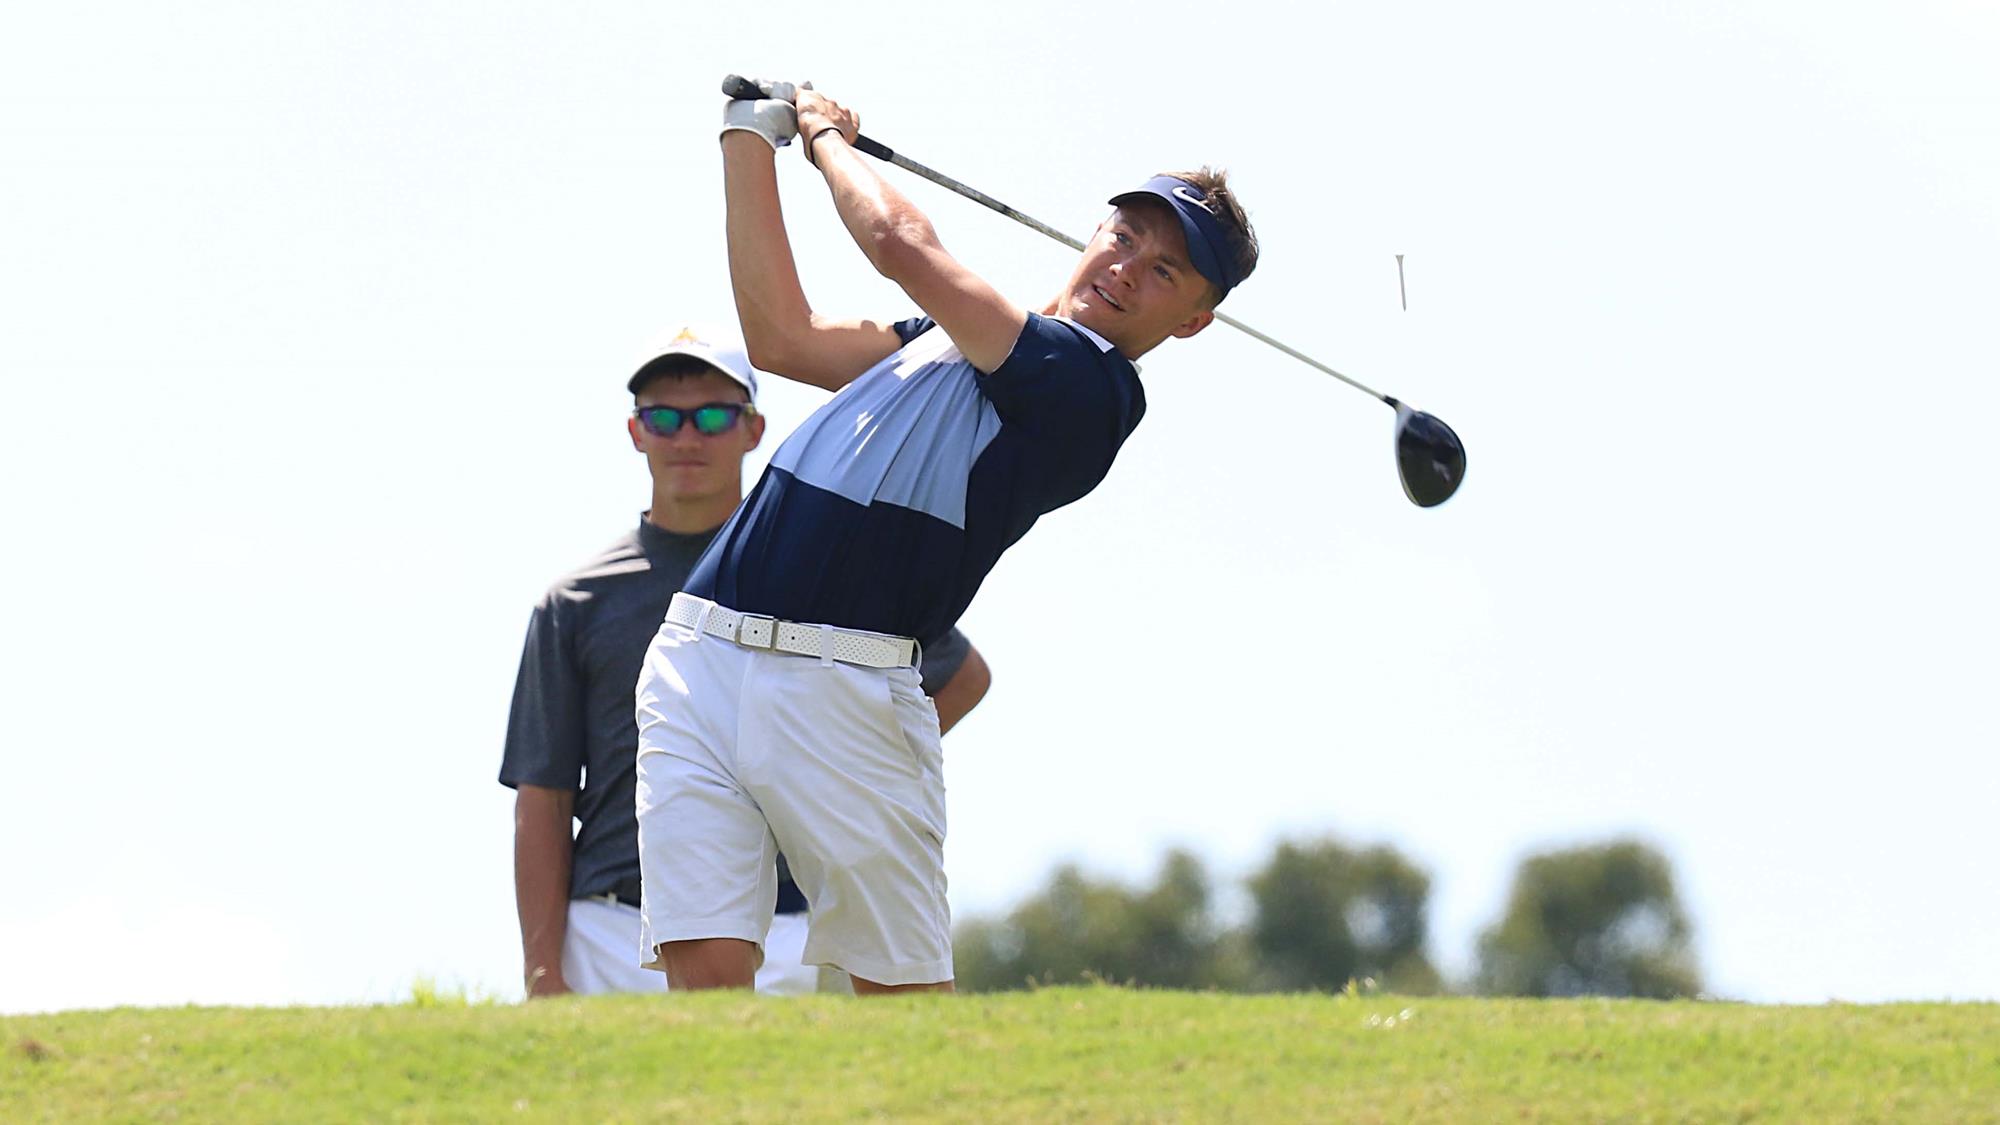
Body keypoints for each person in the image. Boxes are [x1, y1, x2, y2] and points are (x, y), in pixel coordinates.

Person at [635, 81, 1259, 994]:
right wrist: (746, 141)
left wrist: (824, 142)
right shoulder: (944, 338)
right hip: (700, 655)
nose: (1127, 267)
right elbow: (781, 338)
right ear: (1093, 233)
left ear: (1195, 319)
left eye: (1165, 270)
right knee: (705, 980)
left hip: (846, 687)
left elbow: (902, 244)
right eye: (1125, 237)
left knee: (903, 1007)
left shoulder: (1089, 391)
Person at [500, 326, 992, 998]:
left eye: (712, 415)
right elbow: (544, 794)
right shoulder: (576, 601)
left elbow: (962, 674)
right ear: (635, 431)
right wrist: (541, 970)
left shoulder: (811, 560)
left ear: (754, 429)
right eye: (664, 418)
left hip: (781, 925)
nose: (688, 437)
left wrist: (833, 765)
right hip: (609, 927)